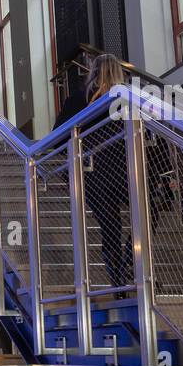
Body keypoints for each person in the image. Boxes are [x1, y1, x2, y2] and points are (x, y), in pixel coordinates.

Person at [56, 54, 134, 290]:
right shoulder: (129, 100)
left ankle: (118, 278)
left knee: (111, 225)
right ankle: (129, 261)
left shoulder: (78, 100)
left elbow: (56, 138)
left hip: (93, 173)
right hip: (127, 171)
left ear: (92, 72)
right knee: (146, 213)